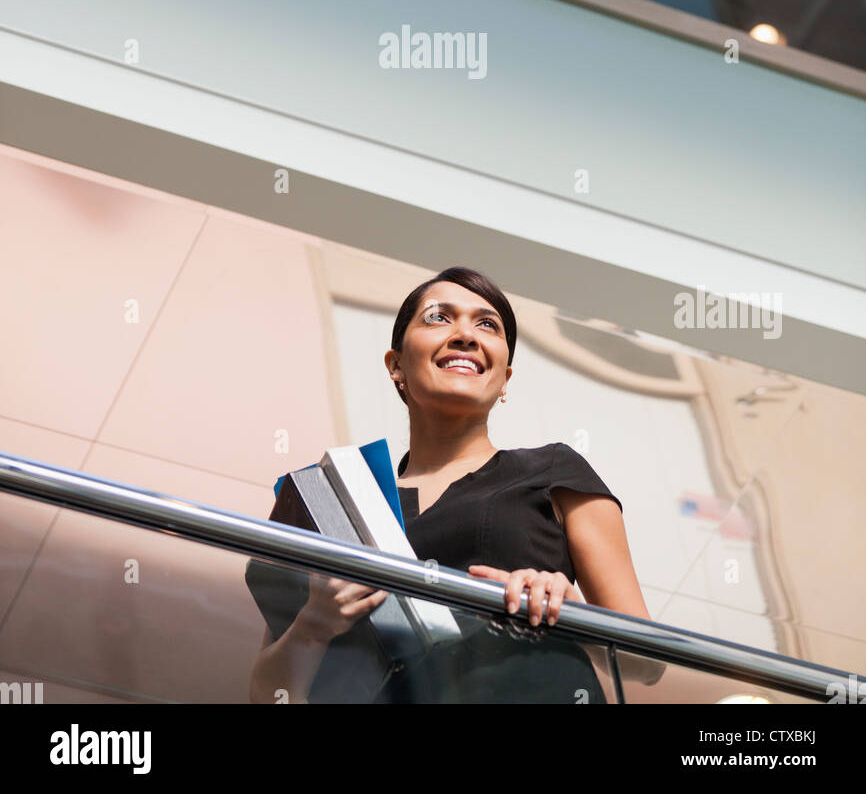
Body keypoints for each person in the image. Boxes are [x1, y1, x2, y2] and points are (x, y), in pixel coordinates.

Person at [249, 267, 662, 703]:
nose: (466, 334)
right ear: (396, 366)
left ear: (504, 379)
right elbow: (270, 696)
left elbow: (647, 663)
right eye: (438, 318)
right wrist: (315, 622)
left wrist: (568, 607)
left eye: (487, 324)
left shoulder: (555, 471)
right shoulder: (340, 504)